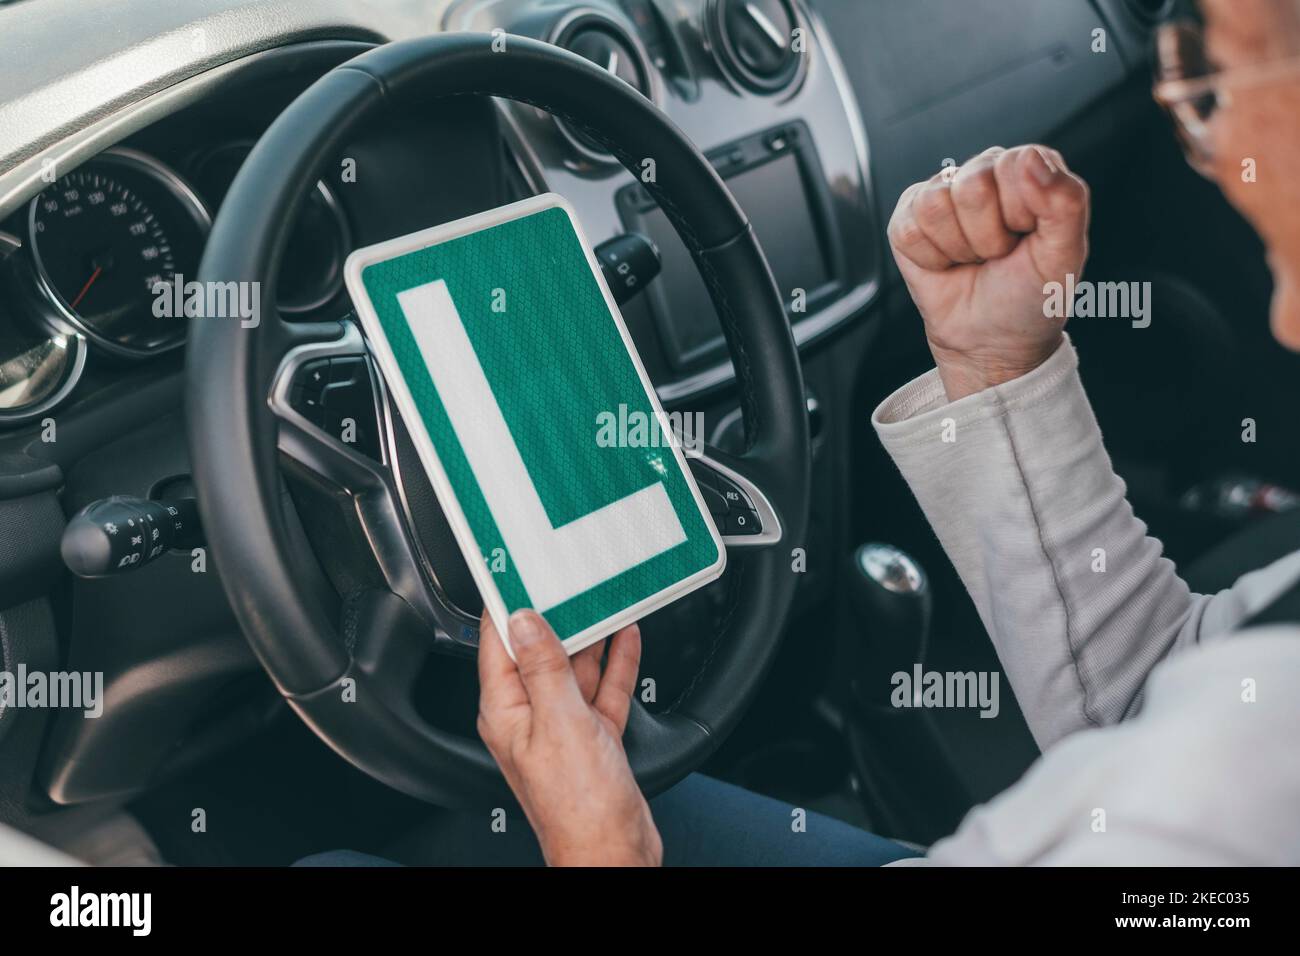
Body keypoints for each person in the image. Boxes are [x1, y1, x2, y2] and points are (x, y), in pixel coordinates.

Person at [304, 0, 1300, 866]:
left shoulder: (1221, 795)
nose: (1211, 145)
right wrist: (998, 369)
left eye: (1211, 77)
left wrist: (601, 853)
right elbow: (1149, 696)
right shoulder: (1230, 747)